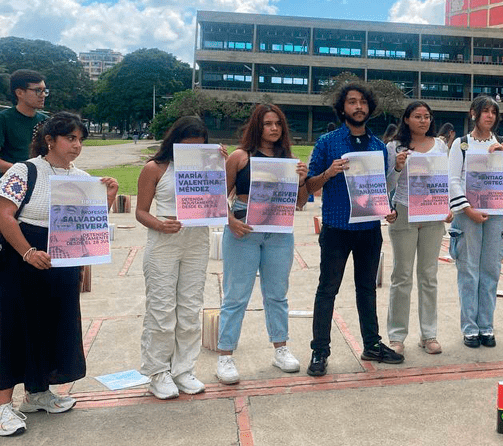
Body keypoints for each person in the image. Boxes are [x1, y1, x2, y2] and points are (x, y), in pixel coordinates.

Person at [0, 113, 118, 437]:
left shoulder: (81, 177)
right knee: (13, 328)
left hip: (62, 264)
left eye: (80, 140)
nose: (77, 145)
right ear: (50, 140)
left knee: (54, 325)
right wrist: (28, 252)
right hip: (21, 262)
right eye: (70, 138)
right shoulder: (24, 171)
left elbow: (90, 224)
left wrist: (109, 196)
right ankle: (0, 406)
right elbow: (4, 214)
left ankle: (38, 392)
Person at [305, 82, 402, 377]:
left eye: (362, 102)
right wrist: (328, 172)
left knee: (366, 289)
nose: (358, 107)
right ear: (342, 108)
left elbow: (379, 188)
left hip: (369, 228)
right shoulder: (327, 142)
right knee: (327, 290)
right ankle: (320, 351)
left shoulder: (377, 147)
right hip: (336, 227)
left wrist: (388, 209)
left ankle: (371, 343)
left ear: (369, 107)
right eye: (352, 102)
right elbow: (309, 185)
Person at [216, 104, 308, 384]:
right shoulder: (240, 157)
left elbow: (301, 203)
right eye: (268, 123)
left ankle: (280, 348)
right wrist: (230, 221)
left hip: (279, 232)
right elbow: (218, 196)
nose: (274, 128)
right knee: (236, 296)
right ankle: (225, 355)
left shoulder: (289, 160)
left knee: (277, 294)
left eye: (278, 123)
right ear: (257, 126)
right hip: (244, 229)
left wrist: (302, 180)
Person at [136, 117, 225, 399]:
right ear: (174, 143)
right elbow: (140, 211)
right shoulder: (155, 168)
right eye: (187, 147)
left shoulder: (210, 167)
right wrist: (160, 224)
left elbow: (223, 199)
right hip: (164, 241)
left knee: (189, 309)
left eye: (200, 148)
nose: (193, 153)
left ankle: (183, 369)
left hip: (197, 241)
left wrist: (219, 166)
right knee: (162, 311)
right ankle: (158, 371)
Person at [448, 95, 503, 348]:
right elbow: (453, 180)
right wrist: (467, 209)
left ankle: (486, 327)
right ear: (473, 114)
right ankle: (470, 328)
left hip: (496, 213)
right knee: (468, 270)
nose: (489, 116)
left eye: (493, 112)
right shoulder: (462, 144)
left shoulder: (502, 142)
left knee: (491, 270)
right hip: (468, 213)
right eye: (485, 111)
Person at [385, 101, 451, 355]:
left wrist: (447, 207)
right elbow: (387, 183)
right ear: (407, 119)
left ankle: (429, 334)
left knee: (429, 276)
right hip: (404, 213)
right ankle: (397, 336)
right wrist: (398, 166)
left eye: (427, 116)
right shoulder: (395, 147)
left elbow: (442, 179)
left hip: (433, 216)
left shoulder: (441, 145)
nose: (423, 121)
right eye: (417, 116)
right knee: (401, 276)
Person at [0, 70, 48, 180]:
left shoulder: (46, 121)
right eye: (38, 91)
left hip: (40, 183)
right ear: (20, 93)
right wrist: (24, 170)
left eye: (44, 91)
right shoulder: (2, 119)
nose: (43, 95)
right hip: (10, 184)